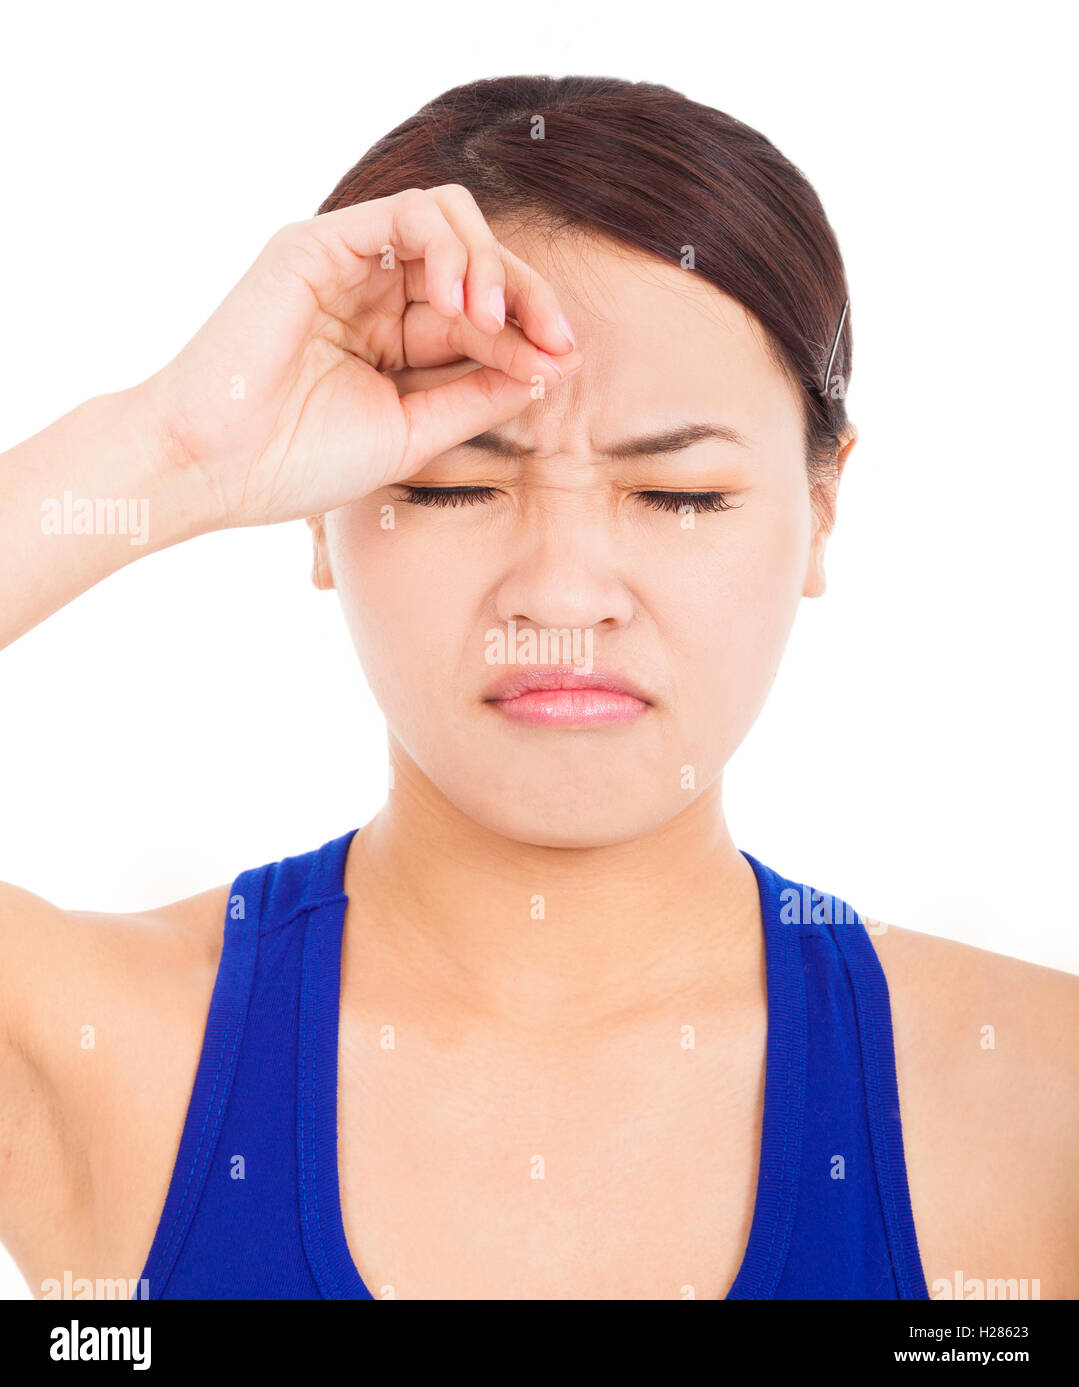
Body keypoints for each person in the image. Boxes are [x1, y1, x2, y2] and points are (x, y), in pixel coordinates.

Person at [1, 75, 1076, 1301]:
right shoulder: (100, 1050)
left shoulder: (1044, 1104)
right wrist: (174, 449)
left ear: (820, 511)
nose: (562, 597)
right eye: (452, 482)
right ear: (315, 510)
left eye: (679, 496)